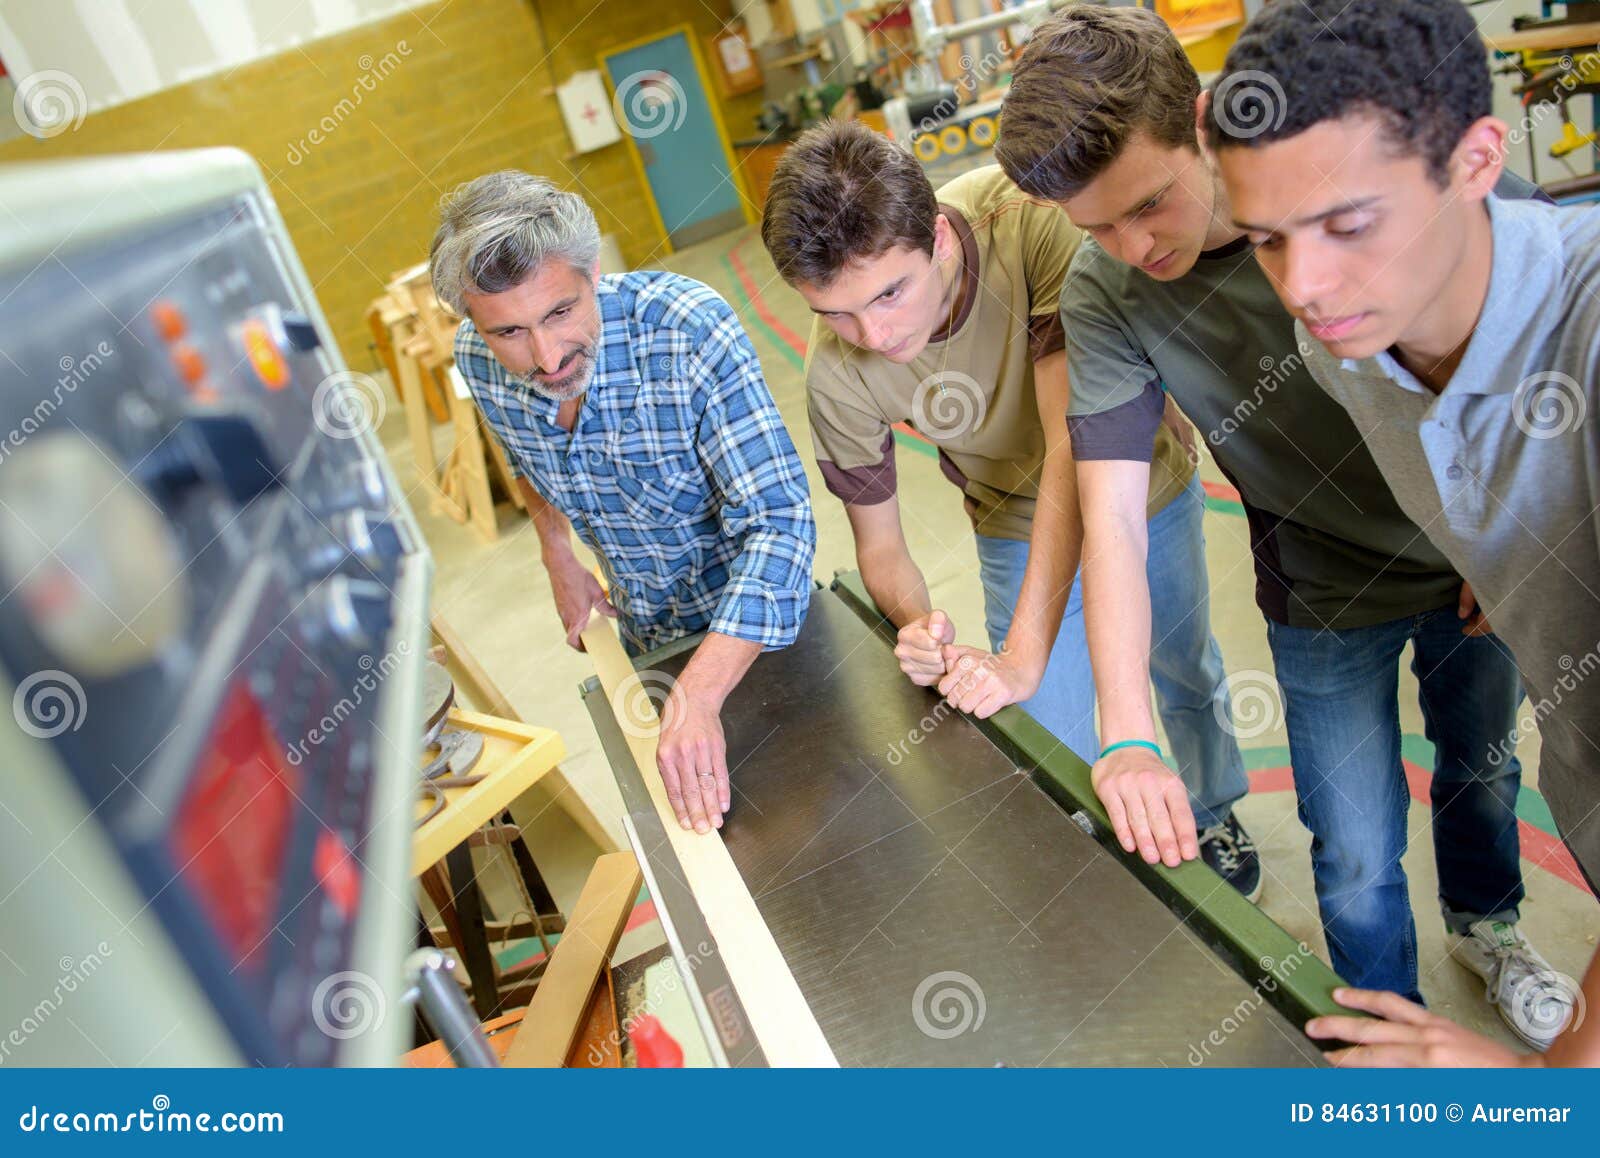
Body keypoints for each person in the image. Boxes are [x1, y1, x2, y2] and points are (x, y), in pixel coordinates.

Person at [990, 2, 1566, 1044]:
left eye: (1150, 203)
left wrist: (1502, 535)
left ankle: (1490, 928)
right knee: (1348, 850)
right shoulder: (1107, 290)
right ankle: (1385, 1026)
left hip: (1470, 567)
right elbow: (1110, 511)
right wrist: (1125, 730)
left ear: (1205, 123)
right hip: (1319, 591)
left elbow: (1535, 340)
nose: (1133, 247)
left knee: (1481, 770)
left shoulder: (1374, 190)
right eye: (1095, 229)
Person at [1207, 0, 1598, 1067]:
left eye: (1347, 223)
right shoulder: (1343, 338)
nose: (1303, 286)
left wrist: (1546, 1089)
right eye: (1266, 240)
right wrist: (1501, 554)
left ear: (1478, 160)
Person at [759, 120, 1259, 897]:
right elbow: (882, 549)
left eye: (891, 293)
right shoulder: (836, 377)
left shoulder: (1031, 223)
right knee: (1048, 734)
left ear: (937, 239)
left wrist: (1020, 654)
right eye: (836, 314)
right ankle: (1100, 868)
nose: (875, 334)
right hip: (1009, 519)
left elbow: (1074, 445)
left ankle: (1217, 807)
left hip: (1132, 483)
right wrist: (914, 623)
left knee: (1181, 664)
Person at [431, 171, 816, 836]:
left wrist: (698, 694)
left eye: (560, 312)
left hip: (759, 640)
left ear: (594, 271)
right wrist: (557, 551)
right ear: (475, 324)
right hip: (645, 641)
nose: (547, 357)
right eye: (509, 332)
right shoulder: (477, 359)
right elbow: (522, 453)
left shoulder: (691, 333)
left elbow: (780, 526)